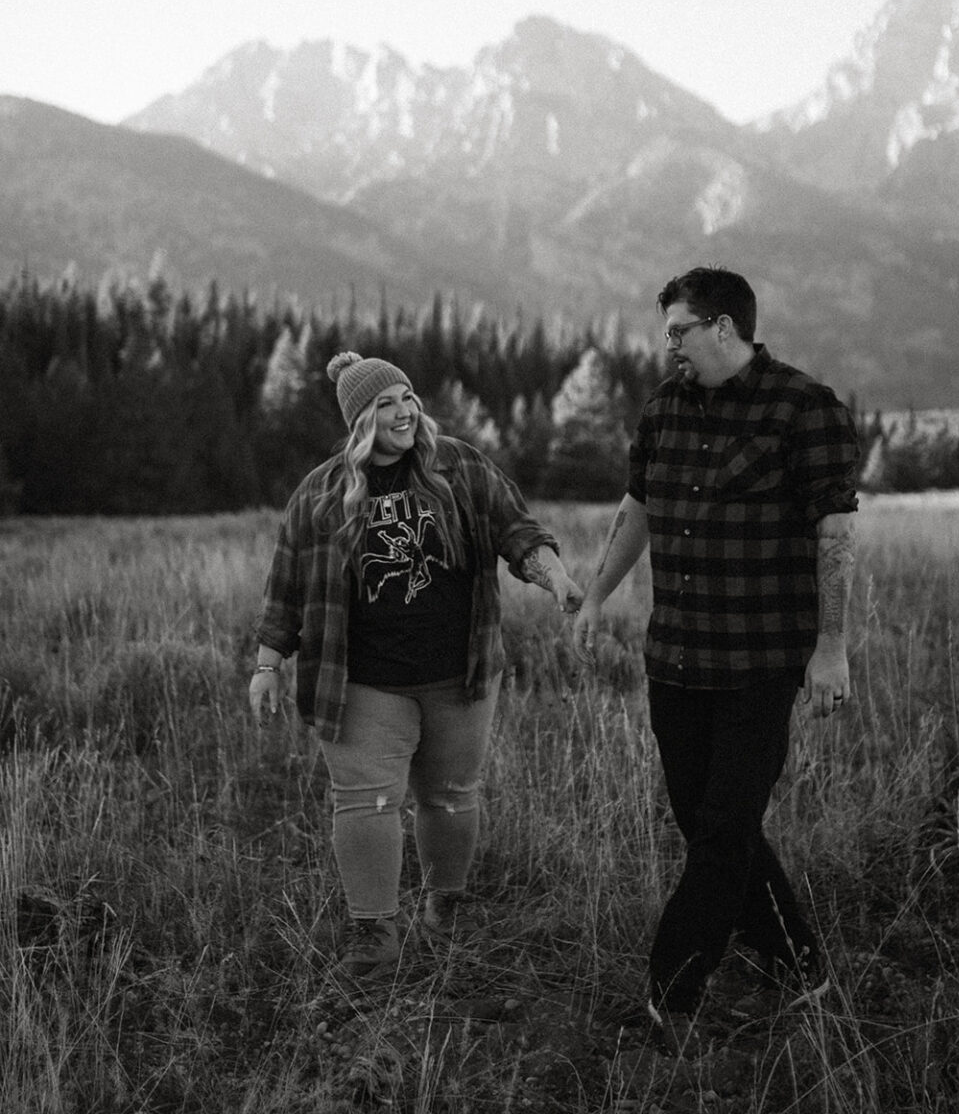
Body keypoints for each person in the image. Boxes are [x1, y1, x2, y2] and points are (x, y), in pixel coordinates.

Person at [573, 266, 858, 1048]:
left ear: (724, 327)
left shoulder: (804, 408)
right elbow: (640, 507)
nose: (670, 349)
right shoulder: (666, 407)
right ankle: (801, 966)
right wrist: (597, 597)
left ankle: (670, 993)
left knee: (726, 828)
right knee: (707, 825)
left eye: (679, 332)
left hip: (761, 659)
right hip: (676, 657)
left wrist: (831, 649)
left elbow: (834, 536)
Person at [250, 350, 582, 977]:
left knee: (452, 796)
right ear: (359, 422)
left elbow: (515, 528)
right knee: (365, 802)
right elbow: (286, 587)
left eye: (406, 396)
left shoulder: (457, 465)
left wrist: (552, 575)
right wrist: (267, 665)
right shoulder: (320, 493)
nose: (404, 412)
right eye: (385, 404)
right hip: (362, 680)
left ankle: (444, 910)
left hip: (459, 673)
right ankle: (375, 935)